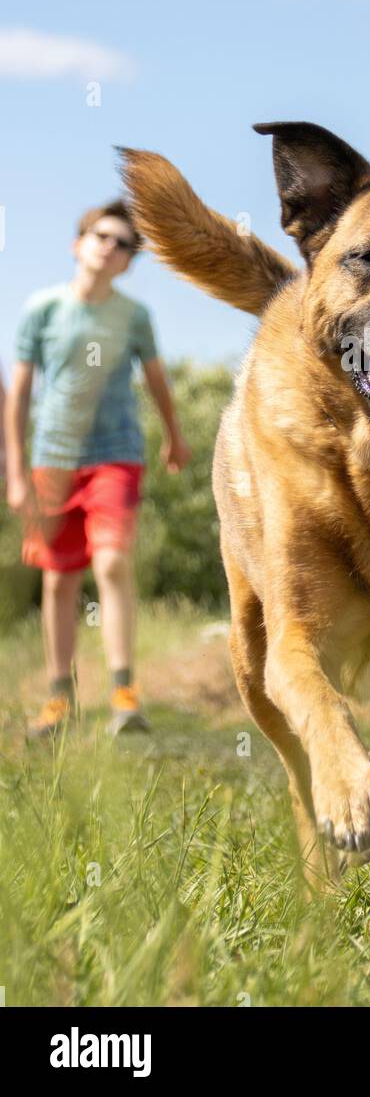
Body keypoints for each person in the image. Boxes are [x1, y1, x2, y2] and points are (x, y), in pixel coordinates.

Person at [4, 198, 191, 739]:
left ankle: (124, 695)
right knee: (59, 579)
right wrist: (16, 475)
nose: (111, 247)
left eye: (124, 244)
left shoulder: (134, 316)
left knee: (110, 563)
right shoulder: (42, 309)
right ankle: (59, 699)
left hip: (116, 455)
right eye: (102, 236)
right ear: (78, 244)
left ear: (130, 262)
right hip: (53, 460)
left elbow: (157, 380)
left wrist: (176, 438)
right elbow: (18, 396)